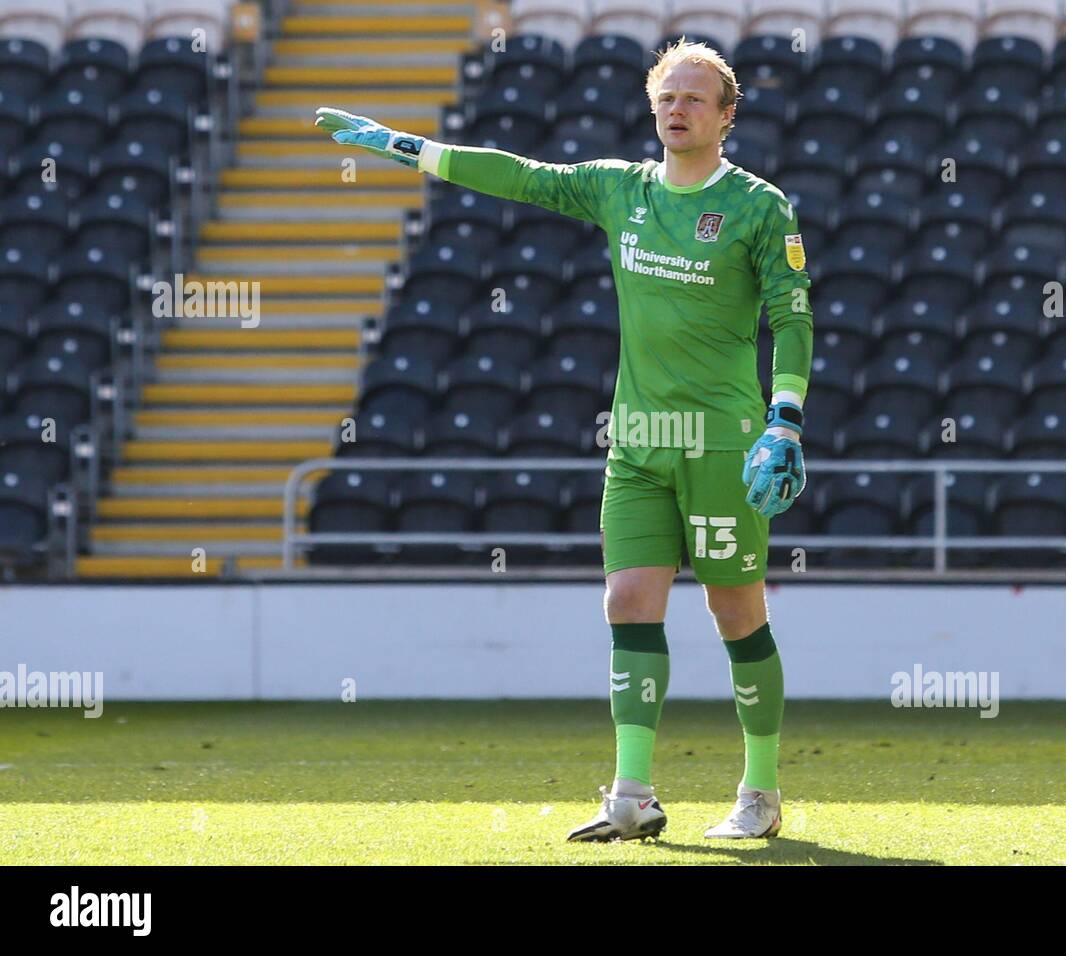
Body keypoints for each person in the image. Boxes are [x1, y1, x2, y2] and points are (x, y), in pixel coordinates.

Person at [316, 36, 813, 841]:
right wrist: (405, 146)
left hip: (724, 441)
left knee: (737, 615)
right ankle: (632, 795)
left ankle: (759, 792)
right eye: (666, 96)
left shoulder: (760, 205)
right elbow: (519, 175)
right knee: (625, 601)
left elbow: (792, 316)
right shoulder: (620, 189)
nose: (676, 109)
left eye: (694, 99)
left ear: (726, 116)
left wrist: (784, 418)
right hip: (640, 442)